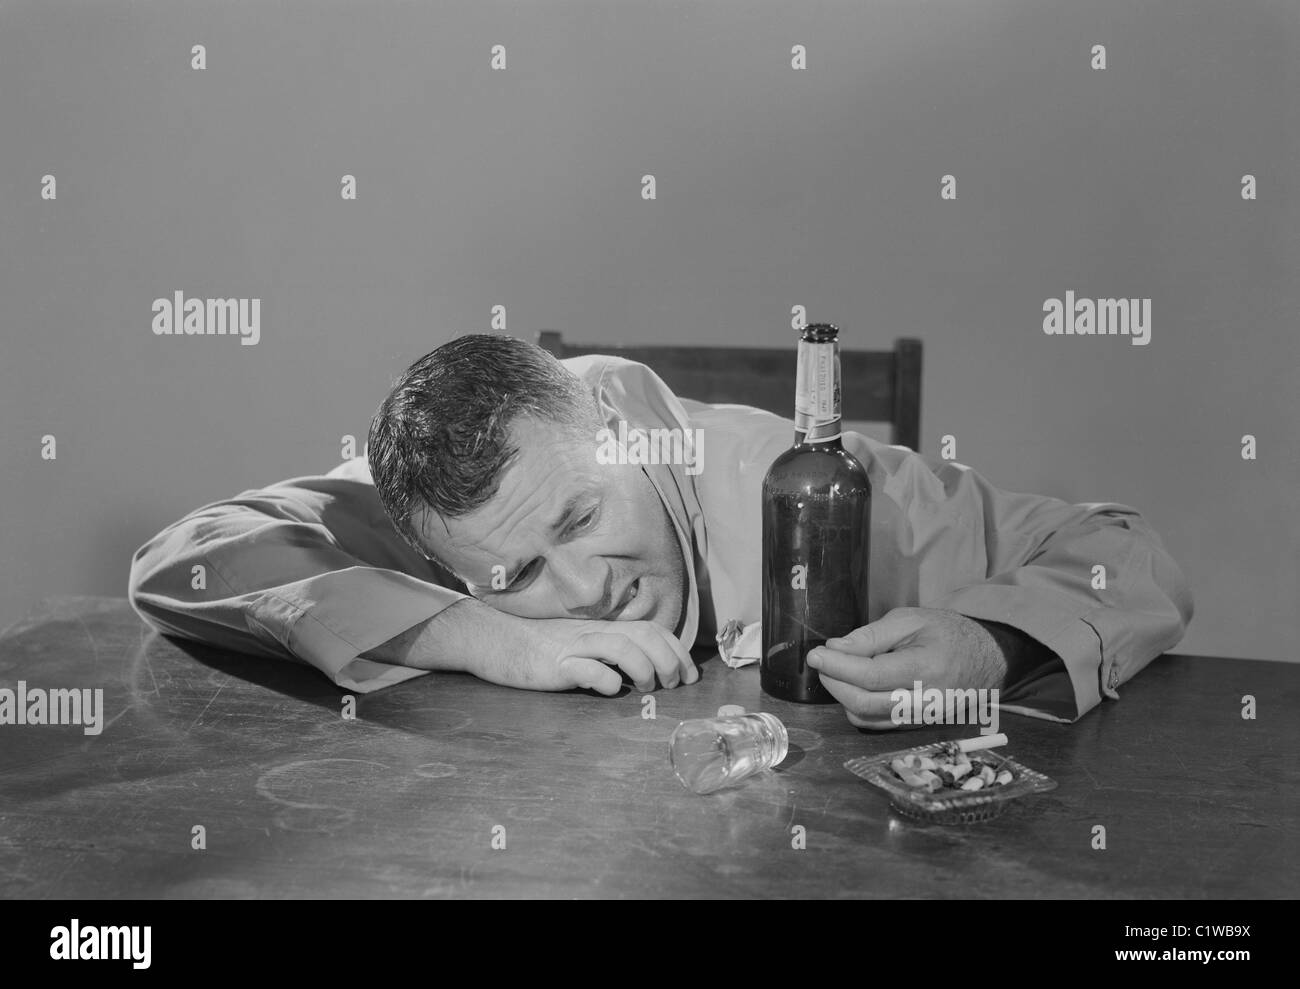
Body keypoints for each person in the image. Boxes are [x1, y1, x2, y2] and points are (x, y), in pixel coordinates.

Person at [127, 334, 1193, 727]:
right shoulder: (439, 509)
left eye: (583, 516)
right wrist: (481, 635)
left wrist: (990, 644)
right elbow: (189, 554)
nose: (582, 587)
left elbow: (1124, 548)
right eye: (515, 572)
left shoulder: (822, 490)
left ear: (615, 437)